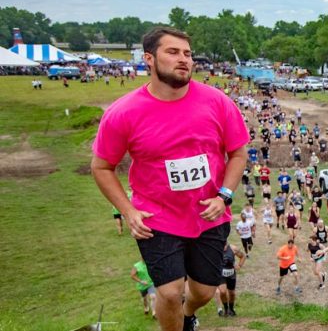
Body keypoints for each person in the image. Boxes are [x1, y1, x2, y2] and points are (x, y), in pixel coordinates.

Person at [92, 27, 249, 331]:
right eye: (173, 52)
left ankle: (188, 315)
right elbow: (101, 167)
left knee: (203, 292)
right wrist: (129, 211)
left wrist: (224, 196)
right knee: (169, 291)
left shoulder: (217, 101)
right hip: (156, 218)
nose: (184, 60)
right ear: (149, 59)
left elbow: (238, 153)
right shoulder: (123, 112)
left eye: (188, 54)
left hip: (209, 215)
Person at [215, 242, 245, 317]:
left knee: (232, 293)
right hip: (220, 274)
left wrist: (239, 265)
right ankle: (226, 309)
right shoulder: (215, 248)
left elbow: (242, 256)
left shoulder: (233, 248)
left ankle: (231, 309)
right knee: (223, 291)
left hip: (231, 274)